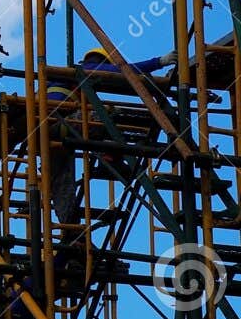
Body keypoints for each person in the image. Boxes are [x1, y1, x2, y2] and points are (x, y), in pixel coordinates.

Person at [45, 45, 167, 226]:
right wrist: (158, 62)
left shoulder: (66, 83)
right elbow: (120, 71)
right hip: (60, 124)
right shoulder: (88, 68)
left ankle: (70, 227)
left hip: (49, 134)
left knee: (61, 182)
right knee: (106, 114)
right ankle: (110, 157)